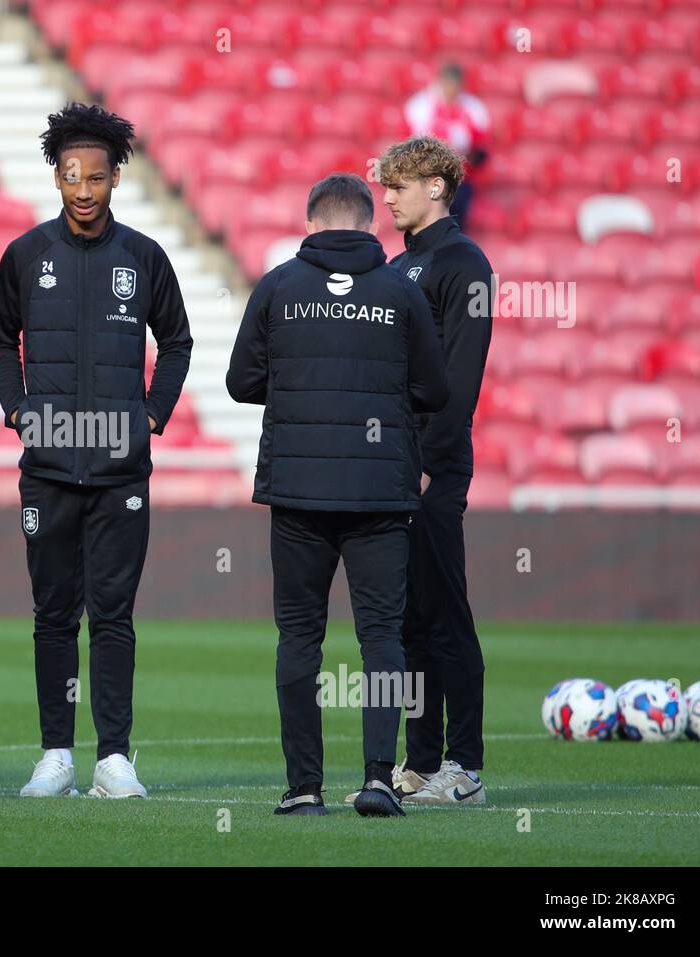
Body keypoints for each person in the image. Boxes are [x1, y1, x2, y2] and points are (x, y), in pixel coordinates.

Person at [0, 103, 192, 798]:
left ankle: (114, 759)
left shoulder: (144, 257)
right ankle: (55, 757)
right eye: (71, 176)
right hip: (47, 469)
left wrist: (151, 415)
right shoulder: (25, 255)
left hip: (119, 471)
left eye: (95, 177)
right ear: (56, 177)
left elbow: (178, 341)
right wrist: (18, 409)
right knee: (52, 615)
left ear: (115, 178)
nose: (82, 189)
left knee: (113, 615)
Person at [227, 172, 448, 817]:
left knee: (299, 637)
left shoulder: (278, 286)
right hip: (380, 492)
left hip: (299, 493)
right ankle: (379, 779)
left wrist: (300, 388)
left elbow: (241, 381)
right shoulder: (400, 292)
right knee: (382, 638)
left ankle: (304, 788)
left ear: (311, 223)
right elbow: (434, 389)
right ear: (369, 223)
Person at [381, 136, 494, 806]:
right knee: (409, 620)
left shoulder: (465, 262)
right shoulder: (399, 265)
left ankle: (466, 767)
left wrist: (427, 462)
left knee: (447, 611)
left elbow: (461, 377)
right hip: (395, 462)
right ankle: (421, 761)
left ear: (435, 186)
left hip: (432, 465)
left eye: (399, 185)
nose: (388, 197)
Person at [403, 63, 490, 229]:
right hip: (427, 178)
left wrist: (465, 156)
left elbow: (481, 153)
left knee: (455, 225)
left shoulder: (473, 109)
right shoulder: (420, 108)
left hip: (459, 180)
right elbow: (410, 148)